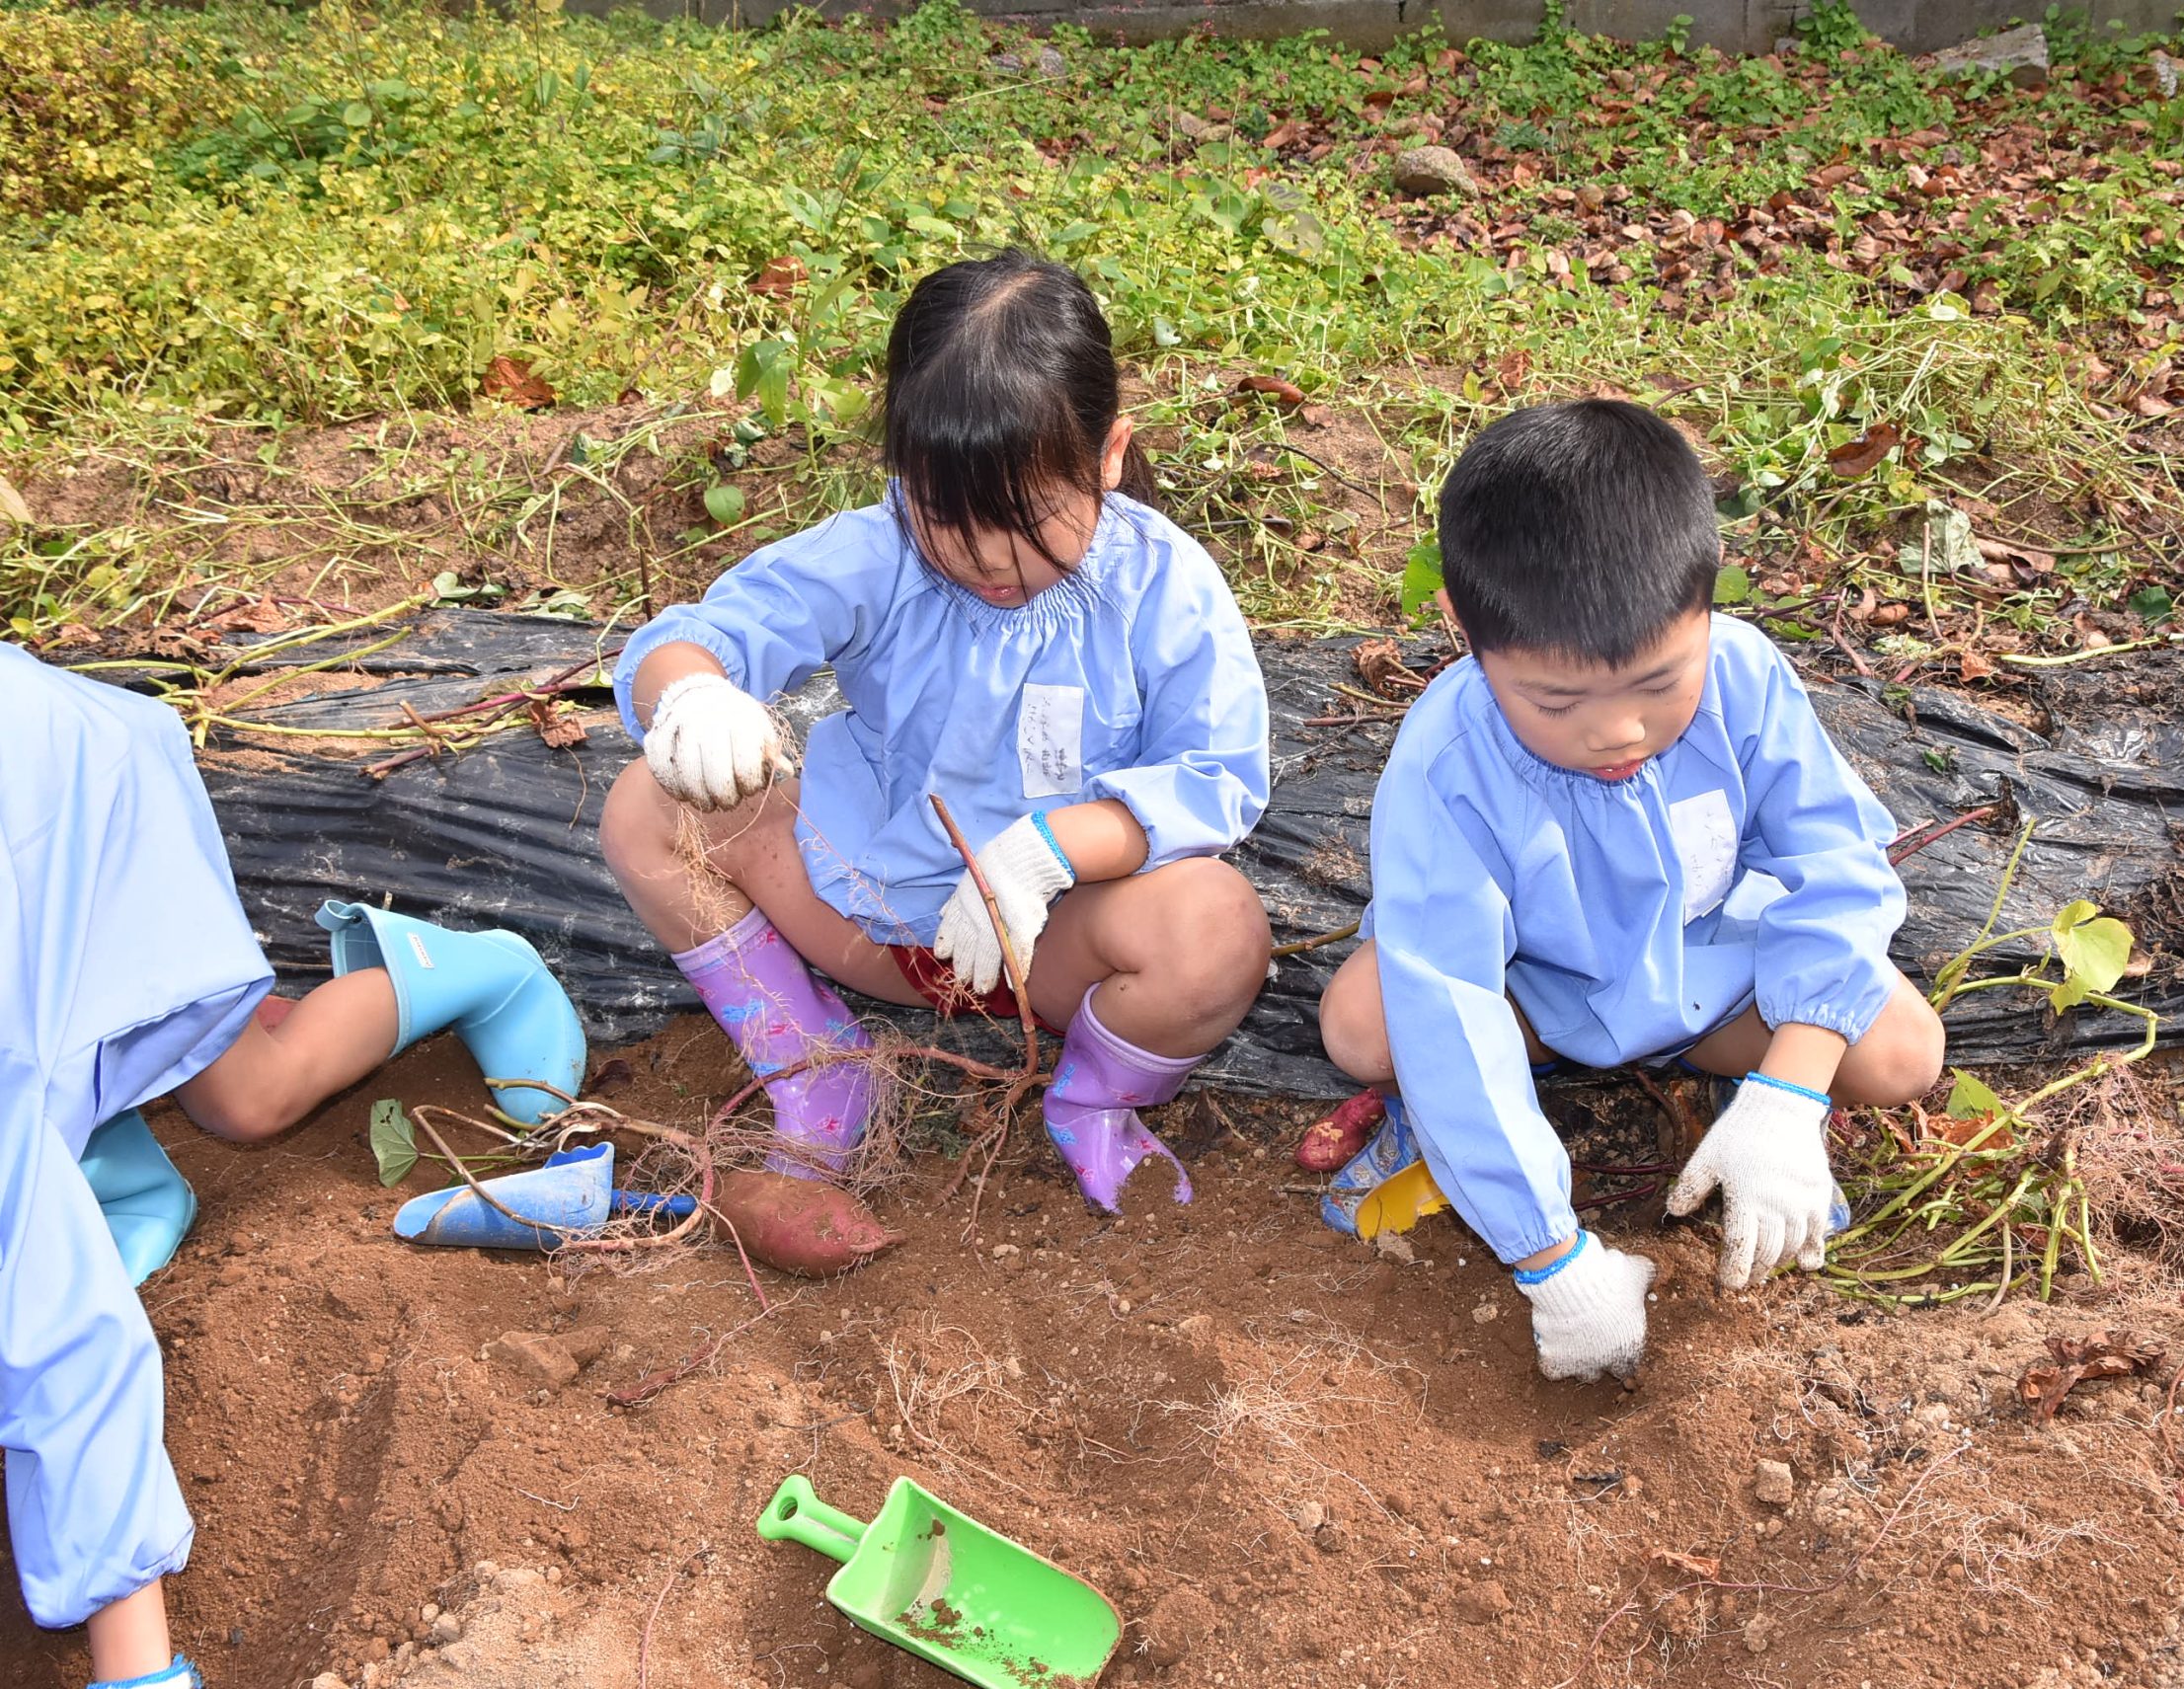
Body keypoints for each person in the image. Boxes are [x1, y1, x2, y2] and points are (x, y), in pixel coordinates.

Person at [599, 251, 1273, 1211]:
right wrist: (693, 698)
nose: (991, 556)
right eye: (949, 515)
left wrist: (1047, 852)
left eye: (1031, 514)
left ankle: (1095, 1102)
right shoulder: (877, 555)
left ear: (1109, 455)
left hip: (1063, 942)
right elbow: (700, 637)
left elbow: (1216, 774)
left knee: (1217, 926)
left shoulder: (1164, 583)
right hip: (865, 907)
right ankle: (816, 1071)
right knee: (645, 808)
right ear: (902, 472)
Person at [1313, 400, 1946, 1383]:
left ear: (1707, 601)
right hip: (1538, 991)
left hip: (1705, 981)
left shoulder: (1745, 678)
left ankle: (1752, 1107)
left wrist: (1789, 1092)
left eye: (1659, 685)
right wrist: (1547, 1253)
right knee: (1369, 1025)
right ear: (1461, 630)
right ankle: (1459, 1132)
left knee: (1904, 1046)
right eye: (1556, 701)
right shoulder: (1445, 762)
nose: (1617, 733)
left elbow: (1840, 870)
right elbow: (1448, 994)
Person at [0, 644, 585, 1687]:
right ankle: (97, 1131)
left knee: (244, 1096)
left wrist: (137, 1668)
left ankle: (478, 969)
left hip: (66, 790)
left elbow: (66, 1348)